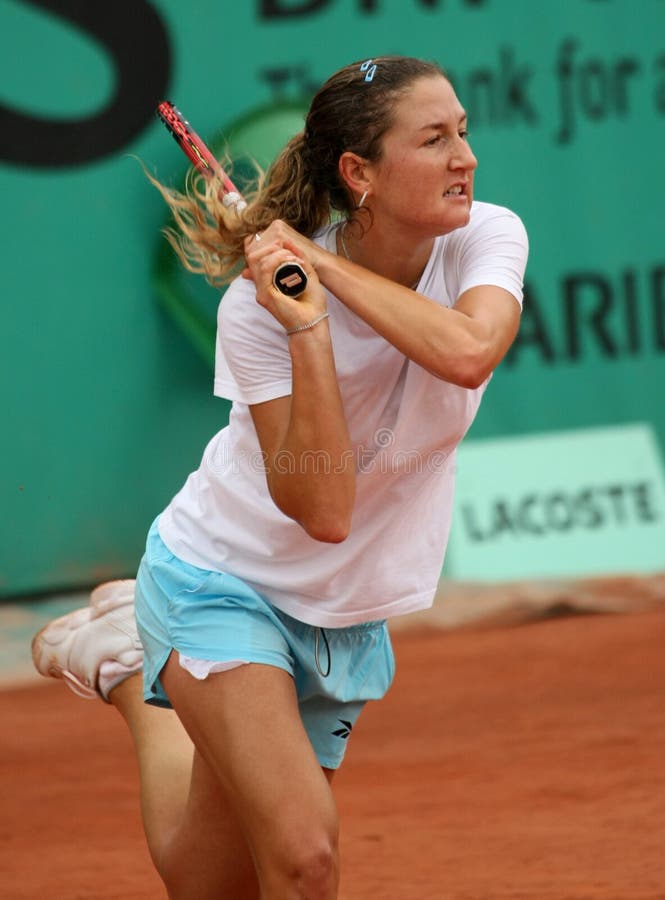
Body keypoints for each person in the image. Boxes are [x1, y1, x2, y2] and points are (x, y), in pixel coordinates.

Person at [32, 55, 528, 899]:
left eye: (463, 133)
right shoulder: (254, 313)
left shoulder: (487, 233)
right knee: (304, 859)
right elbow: (324, 508)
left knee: (206, 880)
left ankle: (122, 668)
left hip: (343, 610)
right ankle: (144, 645)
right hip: (222, 582)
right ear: (358, 174)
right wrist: (308, 330)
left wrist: (328, 272)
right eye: (435, 139)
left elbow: (469, 352)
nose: (464, 158)